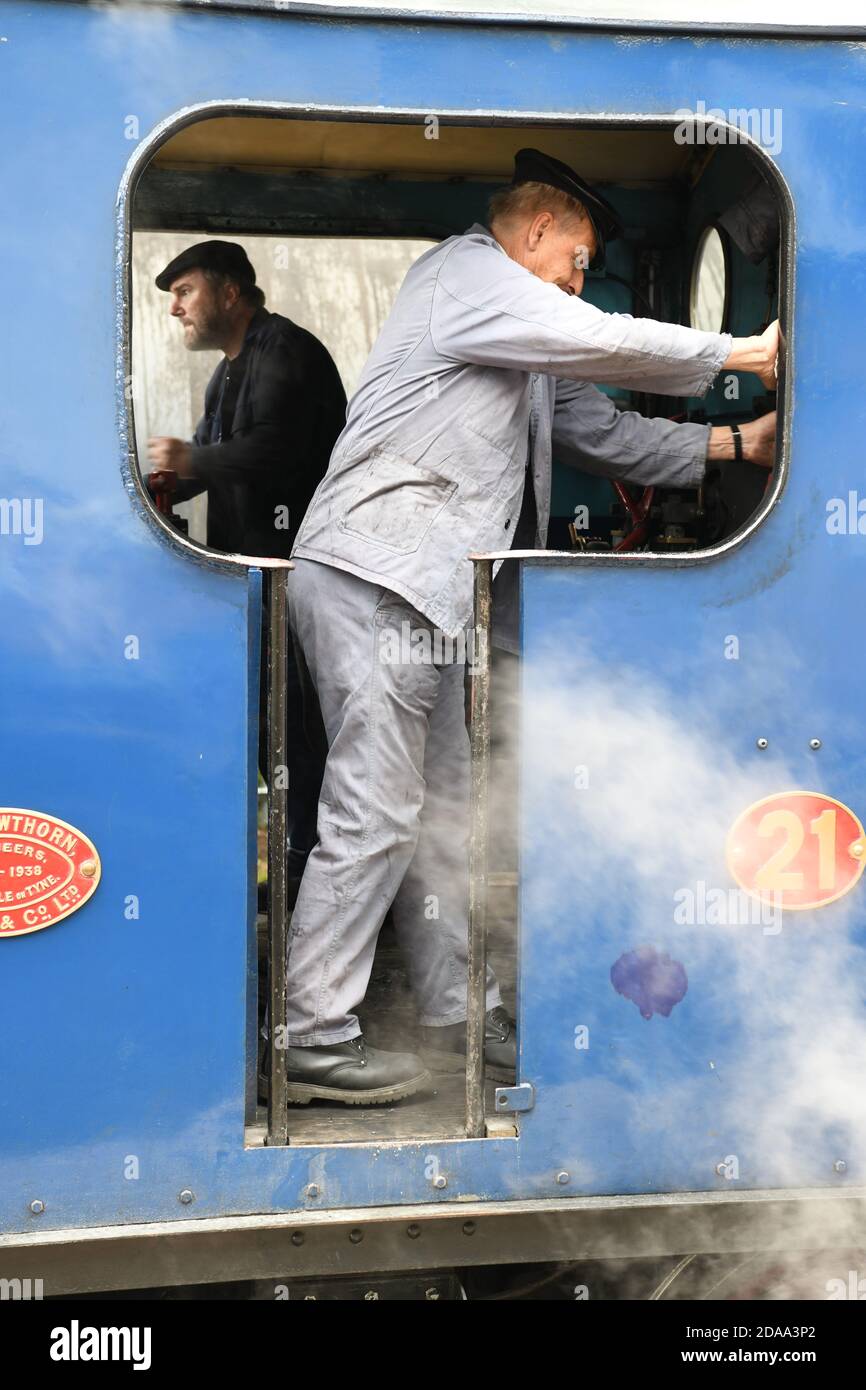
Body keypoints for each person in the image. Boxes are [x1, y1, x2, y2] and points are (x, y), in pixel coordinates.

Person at [282, 149, 778, 1106]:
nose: (580, 279)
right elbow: (598, 338)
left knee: (445, 819)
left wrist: (731, 442)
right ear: (537, 231)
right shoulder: (466, 275)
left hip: (426, 592)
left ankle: (456, 1012)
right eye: (579, 257)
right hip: (378, 571)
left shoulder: (520, 335)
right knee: (375, 810)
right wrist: (744, 353)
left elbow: (605, 433)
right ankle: (313, 1034)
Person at [145, 240, 346, 889]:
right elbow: (209, 457)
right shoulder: (227, 370)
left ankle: (314, 885)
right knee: (269, 737)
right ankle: (290, 875)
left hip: (300, 581)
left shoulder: (285, 352)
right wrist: (157, 490)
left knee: (301, 741)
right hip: (253, 587)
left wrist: (191, 462)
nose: (175, 309)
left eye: (185, 292)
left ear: (230, 293)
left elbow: (273, 452)